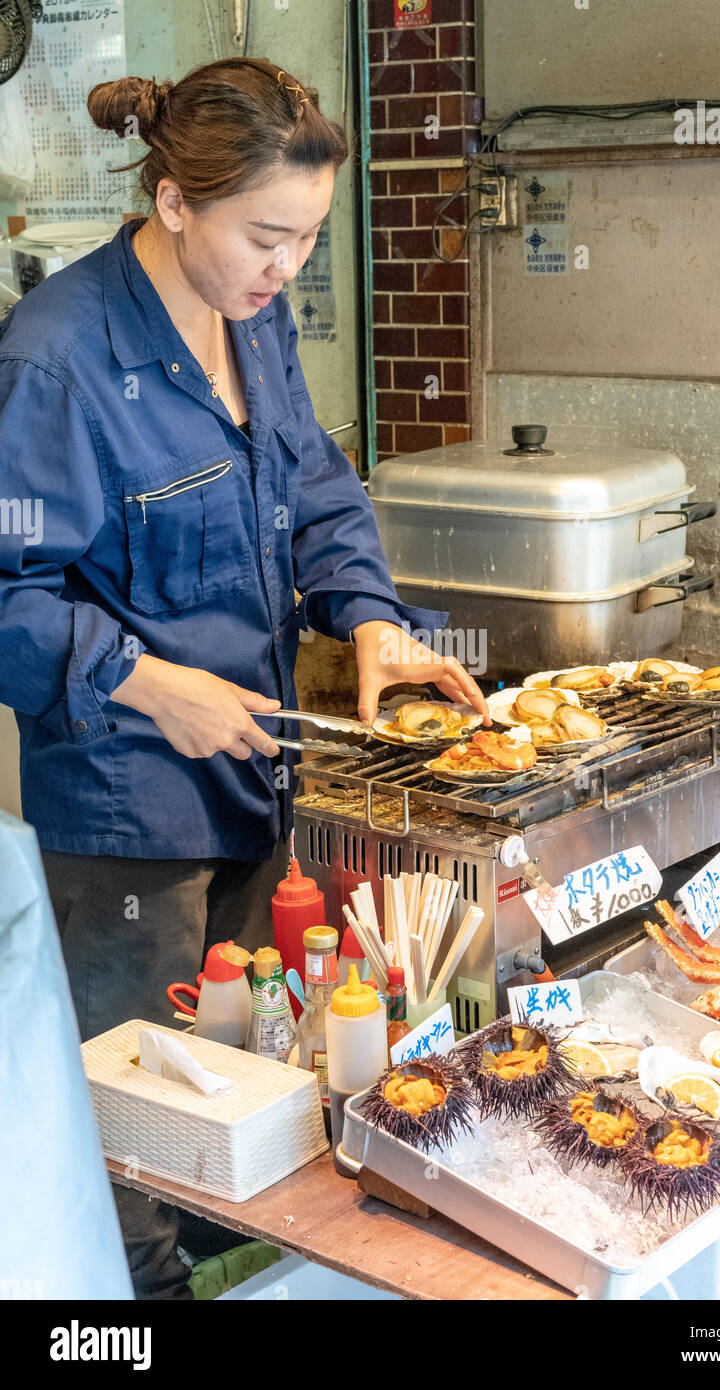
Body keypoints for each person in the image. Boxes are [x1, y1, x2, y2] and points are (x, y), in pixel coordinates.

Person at [0, 57, 489, 1297]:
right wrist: (147, 681)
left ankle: (247, 1268)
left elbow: (315, 486)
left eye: (307, 241)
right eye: (267, 237)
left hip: (253, 779)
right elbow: (10, 596)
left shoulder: (254, 317)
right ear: (173, 203)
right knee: (140, 1092)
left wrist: (368, 616)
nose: (287, 273)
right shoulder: (54, 360)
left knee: (255, 1062)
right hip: (127, 816)